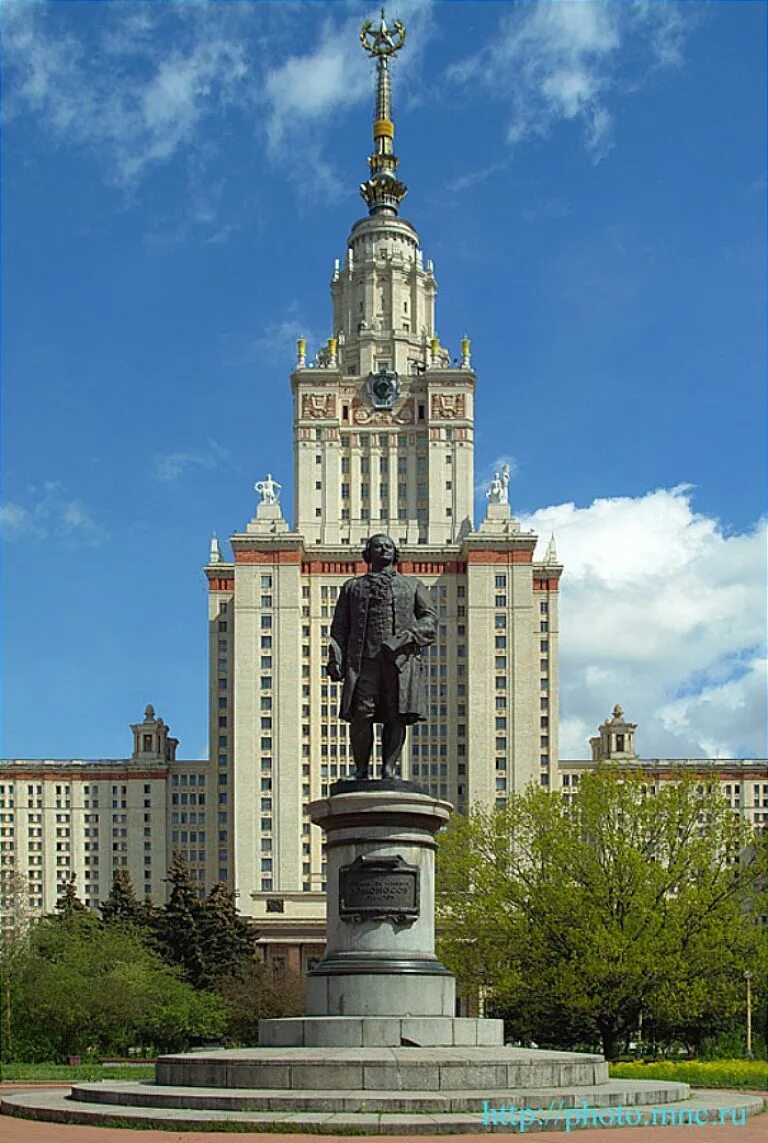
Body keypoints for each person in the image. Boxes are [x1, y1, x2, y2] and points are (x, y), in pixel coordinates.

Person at [327, 534, 436, 780]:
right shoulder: (352, 587)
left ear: (395, 553)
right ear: (369, 553)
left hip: (399, 662)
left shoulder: (412, 585)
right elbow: (339, 627)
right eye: (378, 546)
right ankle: (362, 770)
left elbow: (430, 619)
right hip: (364, 662)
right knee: (361, 714)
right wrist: (335, 659)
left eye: (389, 546)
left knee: (396, 713)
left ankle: (389, 769)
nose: (384, 549)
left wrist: (408, 635)